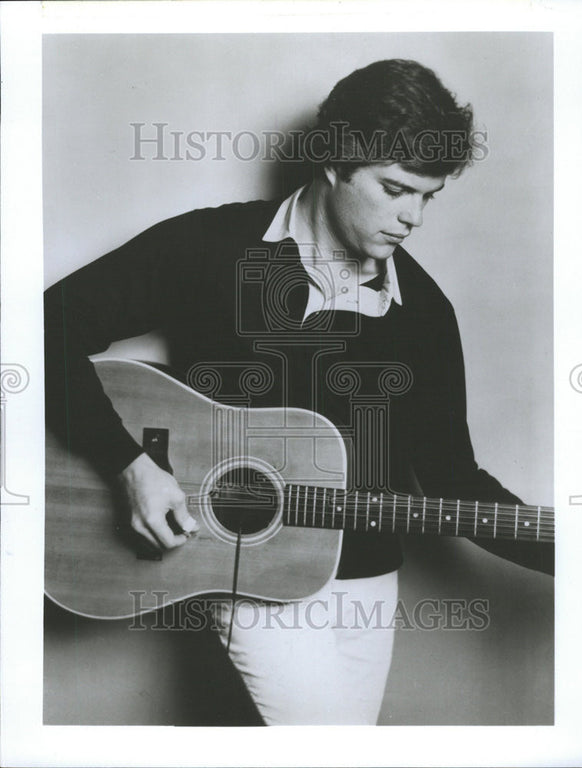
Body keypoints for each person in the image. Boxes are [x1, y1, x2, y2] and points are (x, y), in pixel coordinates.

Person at [44, 58, 553, 726]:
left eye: (428, 197)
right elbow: (44, 326)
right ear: (336, 161)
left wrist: (568, 549)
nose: (413, 217)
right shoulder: (209, 247)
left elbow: (454, 477)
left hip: (368, 582)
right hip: (244, 565)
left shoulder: (423, 314)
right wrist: (128, 464)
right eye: (395, 188)